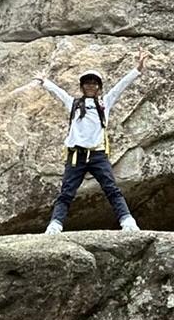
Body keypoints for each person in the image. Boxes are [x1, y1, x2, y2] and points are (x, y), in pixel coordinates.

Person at [28, 55, 146, 234]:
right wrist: (45, 82)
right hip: (76, 155)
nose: (91, 85)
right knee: (66, 192)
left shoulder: (104, 103)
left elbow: (120, 87)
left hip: (97, 154)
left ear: (98, 87)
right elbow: (58, 93)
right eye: (87, 82)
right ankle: (55, 224)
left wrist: (137, 69)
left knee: (111, 189)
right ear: (82, 86)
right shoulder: (73, 103)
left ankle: (127, 221)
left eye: (94, 83)